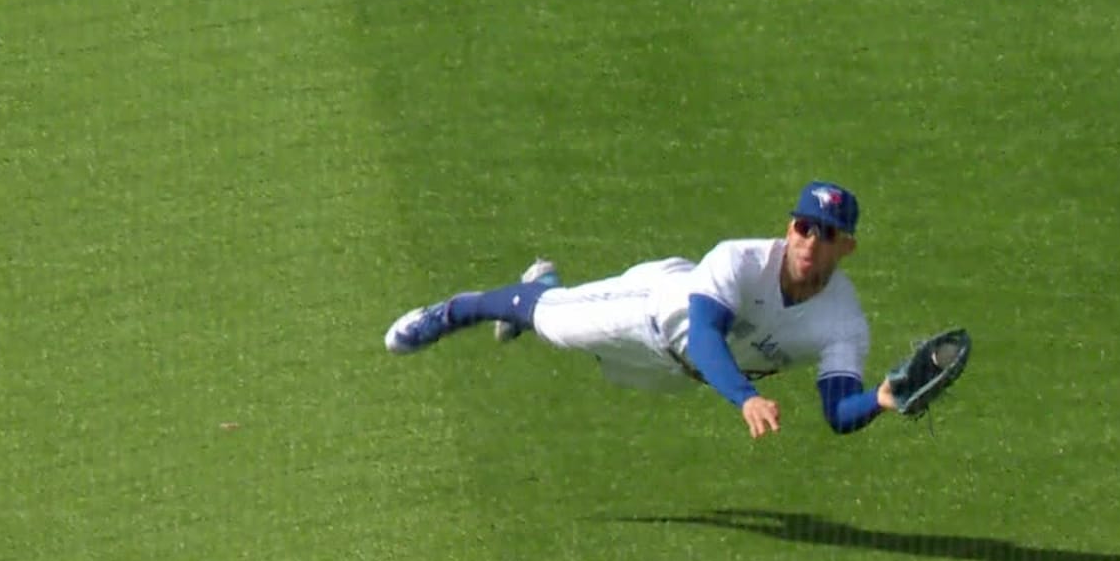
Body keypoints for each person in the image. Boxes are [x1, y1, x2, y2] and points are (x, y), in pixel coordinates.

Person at [383, 180, 899, 438]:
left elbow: (838, 412)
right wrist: (745, 399)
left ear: (846, 247)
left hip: (677, 376)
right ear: (788, 228)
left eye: (826, 233)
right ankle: (456, 311)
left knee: (589, 355)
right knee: (551, 321)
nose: (810, 240)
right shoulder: (739, 260)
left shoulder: (843, 321)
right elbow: (704, 335)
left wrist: (879, 399)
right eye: (803, 226)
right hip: (648, 312)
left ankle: (547, 287)